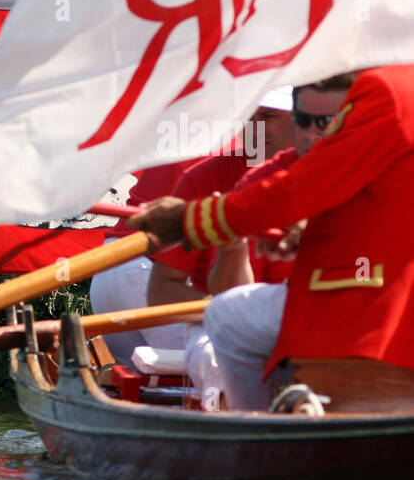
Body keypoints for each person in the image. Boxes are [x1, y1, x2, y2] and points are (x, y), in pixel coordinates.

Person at [127, 67, 414, 410]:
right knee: (226, 315)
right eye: (303, 120)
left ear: (349, 122)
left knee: (228, 316)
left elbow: (306, 193)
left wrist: (193, 221)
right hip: (305, 313)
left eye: (326, 123)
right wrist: (230, 240)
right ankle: (259, 424)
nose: (312, 134)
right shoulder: (254, 176)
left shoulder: (369, 134)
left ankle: (263, 422)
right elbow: (175, 292)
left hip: (365, 311)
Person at [90, 87, 293, 362]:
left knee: (146, 382)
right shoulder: (232, 161)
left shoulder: (199, 120)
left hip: (112, 266)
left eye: (267, 115)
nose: (255, 126)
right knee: (200, 375)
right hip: (146, 266)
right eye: (250, 115)